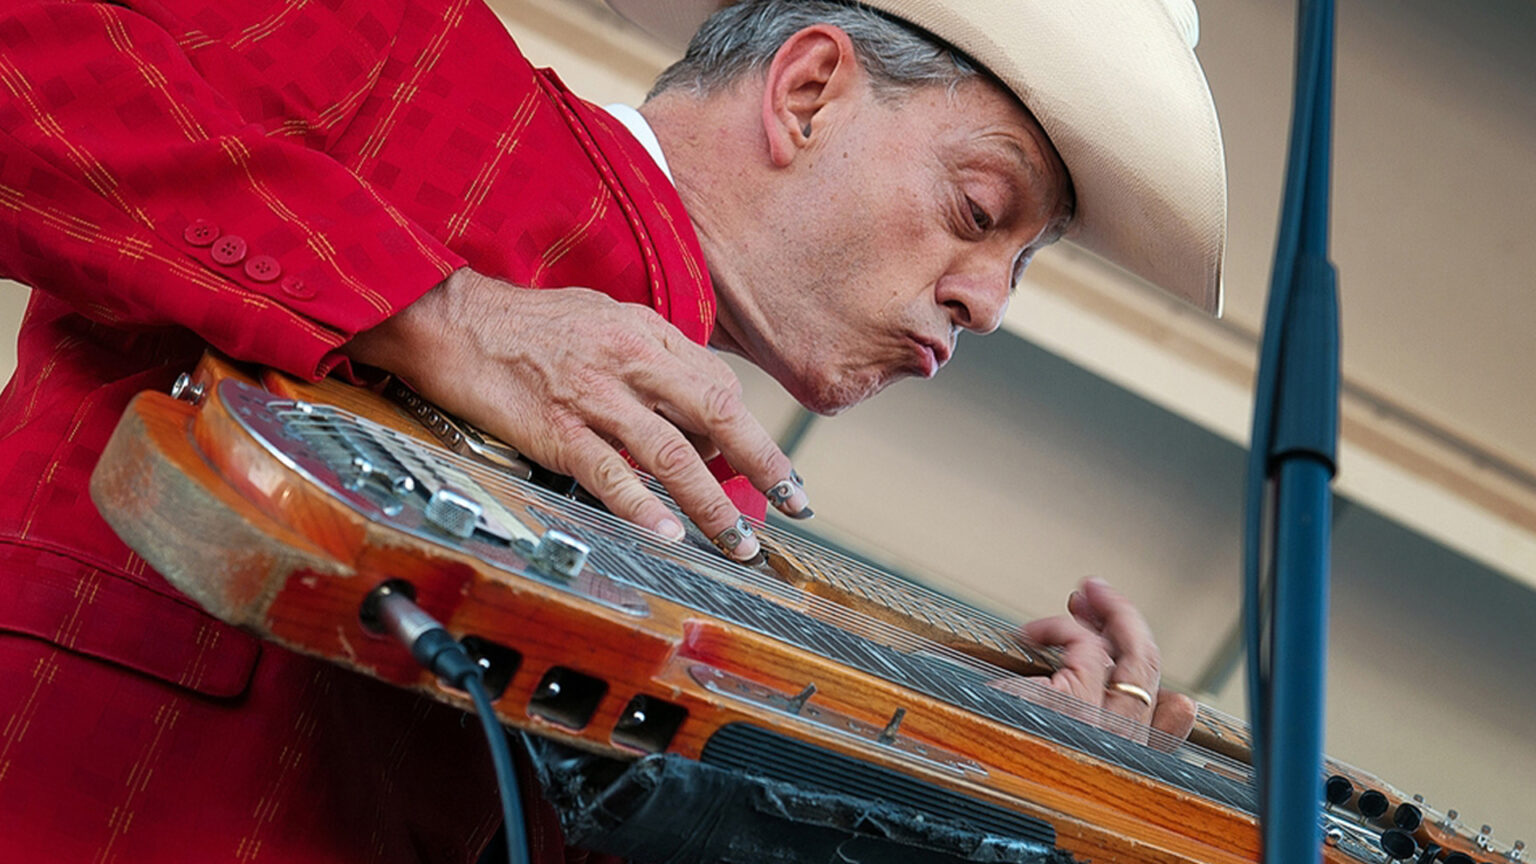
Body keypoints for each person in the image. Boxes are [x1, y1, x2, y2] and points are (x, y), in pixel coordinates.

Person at [0, 0, 1224, 861]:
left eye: (1020, 266)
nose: (991, 302)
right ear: (807, 93)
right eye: (980, 208)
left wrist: (997, 791)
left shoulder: (713, 519)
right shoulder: (408, 48)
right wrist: (439, 313)